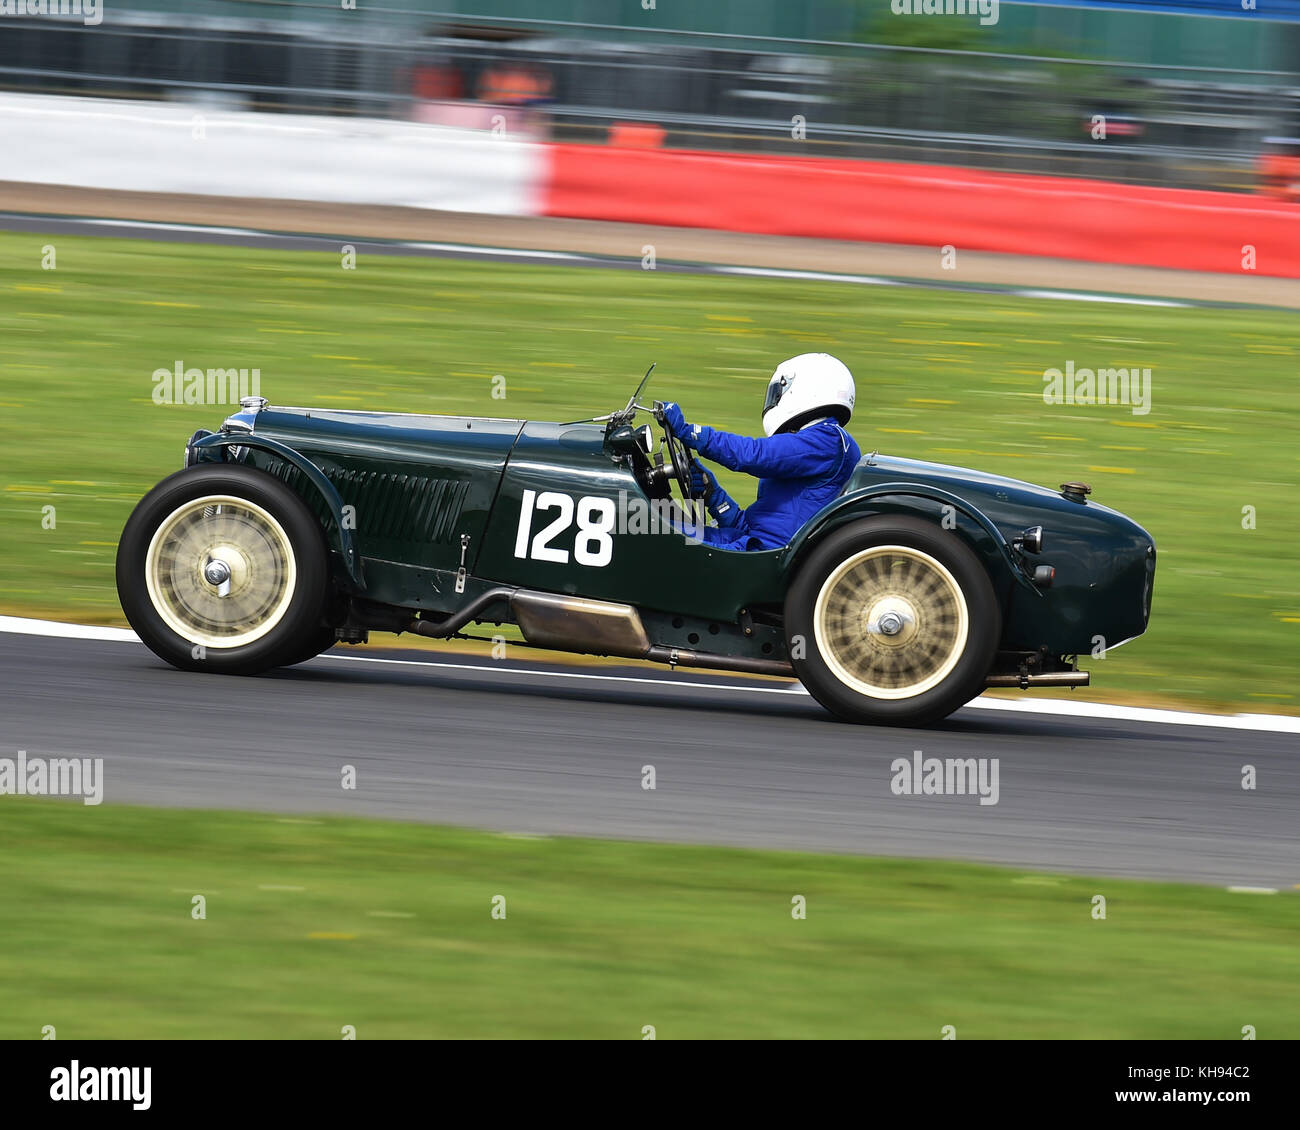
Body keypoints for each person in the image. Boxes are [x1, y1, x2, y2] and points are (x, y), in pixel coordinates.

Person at [661, 353, 861, 551]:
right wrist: (714, 495)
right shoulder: (822, 442)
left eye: (778, 393)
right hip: (754, 545)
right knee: (654, 526)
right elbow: (752, 528)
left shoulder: (827, 440)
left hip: (765, 555)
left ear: (808, 390)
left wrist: (692, 433)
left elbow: (753, 455)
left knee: (652, 536)